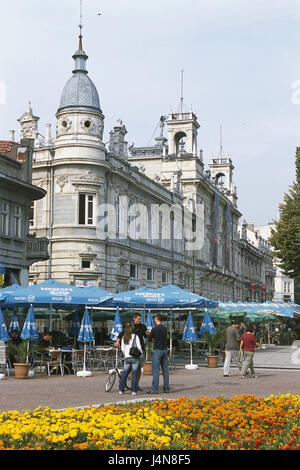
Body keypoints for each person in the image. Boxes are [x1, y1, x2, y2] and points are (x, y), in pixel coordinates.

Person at [114, 312, 149, 390]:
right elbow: (121, 334)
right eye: (138, 319)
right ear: (134, 318)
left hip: (140, 350)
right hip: (130, 351)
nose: (140, 320)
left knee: (139, 368)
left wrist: (148, 334)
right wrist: (117, 341)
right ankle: (127, 382)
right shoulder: (130, 326)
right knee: (131, 368)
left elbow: (146, 336)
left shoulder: (142, 326)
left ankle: (136, 385)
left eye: (140, 319)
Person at [147, 313, 170, 394]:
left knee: (156, 371)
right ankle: (166, 388)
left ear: (156, 319)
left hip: (157, 350)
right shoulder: (164, 328)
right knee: (165, 371)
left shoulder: (154, 328)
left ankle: (155, 389)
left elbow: (149, 339)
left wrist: (149, 334)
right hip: (164, 350)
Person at [118, 323, 143, 396]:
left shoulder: (123, 337)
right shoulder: (135, 336)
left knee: (125, 374)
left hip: (127, 357)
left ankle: (121, 390)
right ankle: (134, 391)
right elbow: (139, 347)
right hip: (135, 357)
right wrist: (140, 354)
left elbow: (122, 348)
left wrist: (126, 354)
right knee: (134, 374)